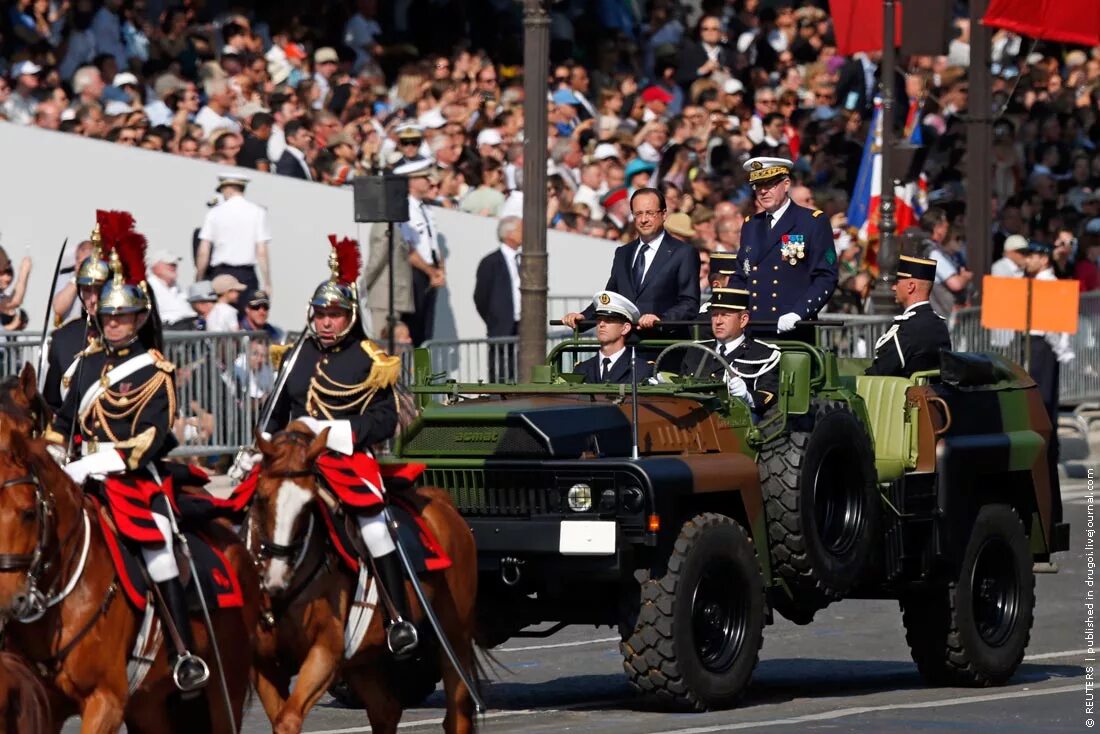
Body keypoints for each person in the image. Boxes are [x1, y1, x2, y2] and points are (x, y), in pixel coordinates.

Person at [46, 213, 209, 694]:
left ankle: (183, 652)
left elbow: (149, 440)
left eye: (123, 317)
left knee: (158, 549)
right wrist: (53, 458)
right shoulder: (84, 364)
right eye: (108, 316)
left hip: (133, 479)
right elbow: (62, 422)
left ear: (138, 319)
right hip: (81, 476)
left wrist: (91, 463)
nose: (114, 323)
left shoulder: (155, 371)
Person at [249, 236, 416, 657]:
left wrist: (334, 431)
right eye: (321, 314)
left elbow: (387, 418)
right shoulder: (295, 355)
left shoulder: (369, 357)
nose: (326, 323)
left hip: (346, 459)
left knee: (374, 527)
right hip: (293, 460)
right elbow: (274, 412)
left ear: (350, 316)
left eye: (335, 315)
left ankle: (398, 619)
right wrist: (262, 446)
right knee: (247, 510)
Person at [725, 157, 838, 335]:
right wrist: (726, 304)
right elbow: (741, 274)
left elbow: (826, 276)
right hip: (752, 325)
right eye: (758, 186)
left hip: (791, 326)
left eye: (770, 184)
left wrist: (799, 312)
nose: (763, 191)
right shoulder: (751, 224)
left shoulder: (811, 222)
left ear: (786, 184)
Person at [562, 188, 700, 330]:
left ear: (664, 214)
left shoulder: (683, 253)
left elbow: (689, 303)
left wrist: (661, 321)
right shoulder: (623, 253)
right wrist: (583, 318)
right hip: (627, 339)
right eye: (638, 214)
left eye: (650, 213)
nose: (644, 219)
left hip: (662, 340)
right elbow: (611, 297)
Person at [1024, 241, 1073, 524]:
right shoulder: (1038, 283)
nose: (1027, 261)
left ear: (1043, 259)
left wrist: (1062, 351)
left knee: (1042, 407)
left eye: (1031, 256)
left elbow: (1054, 328)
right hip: (1040, 346)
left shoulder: (1047, 284)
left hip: (1043, 347)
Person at [680, 288, 781, 415]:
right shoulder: (697, 350)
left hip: (737, 420)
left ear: (743, 320)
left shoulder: (764, 354)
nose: (718, 321)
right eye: (715, 315)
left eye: (725, 315)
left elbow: (768, 397)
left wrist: (748, 396)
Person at [43, 226, 109, 411]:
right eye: (87, 290)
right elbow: (53, 404)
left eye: (99, 289)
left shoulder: (130, 337)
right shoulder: (63, 339)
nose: (93, 299)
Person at [865, 255, 952, 378]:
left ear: (911, 286)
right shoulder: (940, 326)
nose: (893, 287)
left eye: (897, 282)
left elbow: (880, 372)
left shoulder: (906, 329)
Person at [196, 173, 272, 309]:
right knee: (245, 317)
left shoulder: (214, 213)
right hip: (247, 275)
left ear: (228, 189)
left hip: (221, 275)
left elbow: (203, 252)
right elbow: (261, 252)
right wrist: (267, 282)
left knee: (220, 315)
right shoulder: (258, 212)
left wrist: (199, 278)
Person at [397, 158, 446, 346]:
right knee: (414, 328)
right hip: (415, 274)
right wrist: (431, 272)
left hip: (429, 273)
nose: (429, 182)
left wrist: (440, 270)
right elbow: (407, 248)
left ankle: (422, 366)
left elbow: (433, 244)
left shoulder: (425, 208)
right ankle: (410, 365)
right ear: (411, 182)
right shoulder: (405, 208)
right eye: (424, 177)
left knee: (426, 331)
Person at [474, 216, 521, 382]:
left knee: (521, 366)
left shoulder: (524, 259)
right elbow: (481, 297)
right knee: (500, 367)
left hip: (522, 323)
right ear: (509, 234)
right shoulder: (490, 262)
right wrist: (494, 319)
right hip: (501, 325)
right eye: (520, 229)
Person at [573, 291, 653, 384]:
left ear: (625, 328)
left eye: (609, 320)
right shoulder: (581, 369)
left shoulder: (641, 370)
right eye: (599, 319)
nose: (601, 324)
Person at [363, 221, 414, 343]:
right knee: (389, 342)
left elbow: (379, 258)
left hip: (391, 296)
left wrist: (362, 284)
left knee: (391, 342)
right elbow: (378, 259)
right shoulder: (389, 225)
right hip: (390, 296)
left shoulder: (389, 225)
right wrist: (362, 285)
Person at [146, 249, 197, 328]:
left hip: (189, 325)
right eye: (170, 264)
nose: (174, 266)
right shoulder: (149, 287)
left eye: (175, 264)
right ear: (155, 266)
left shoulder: (177, 287)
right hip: (169, 328)